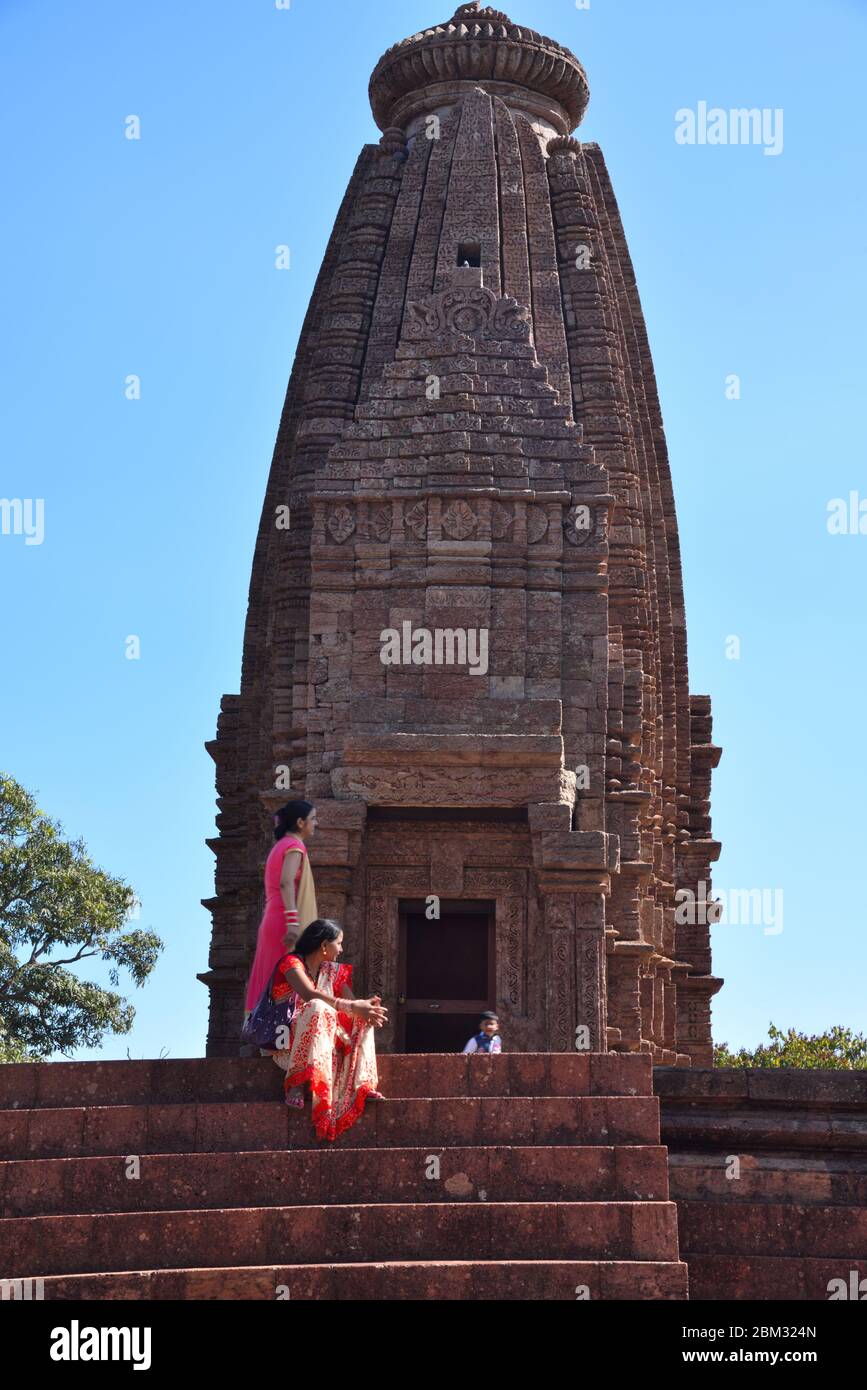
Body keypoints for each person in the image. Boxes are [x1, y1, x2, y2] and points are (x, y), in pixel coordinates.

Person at [269, 919, 388, 1142]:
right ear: (324, 945)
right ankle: (296, 1082)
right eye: (339, 943)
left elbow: (351, 1004)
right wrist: (351, 1006)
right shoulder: (291, 963)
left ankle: (362, 1084)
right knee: (317, 1006)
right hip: (286, 1040)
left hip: (324, 1039)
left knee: (363, 1018)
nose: (341, 949)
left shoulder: (331, 971)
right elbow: (308, 995)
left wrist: (364, 1006)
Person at [243, 799, 318, 1024]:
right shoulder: (294, 846)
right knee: (287, 974)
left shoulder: (279, 847)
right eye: (313, 819)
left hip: (274, 917)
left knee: (272, 973)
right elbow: (286, 883)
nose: (316, 823)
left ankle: (266, 1029)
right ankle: (278, 1031)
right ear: (300, 822)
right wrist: (293, 922)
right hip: (284, 920)